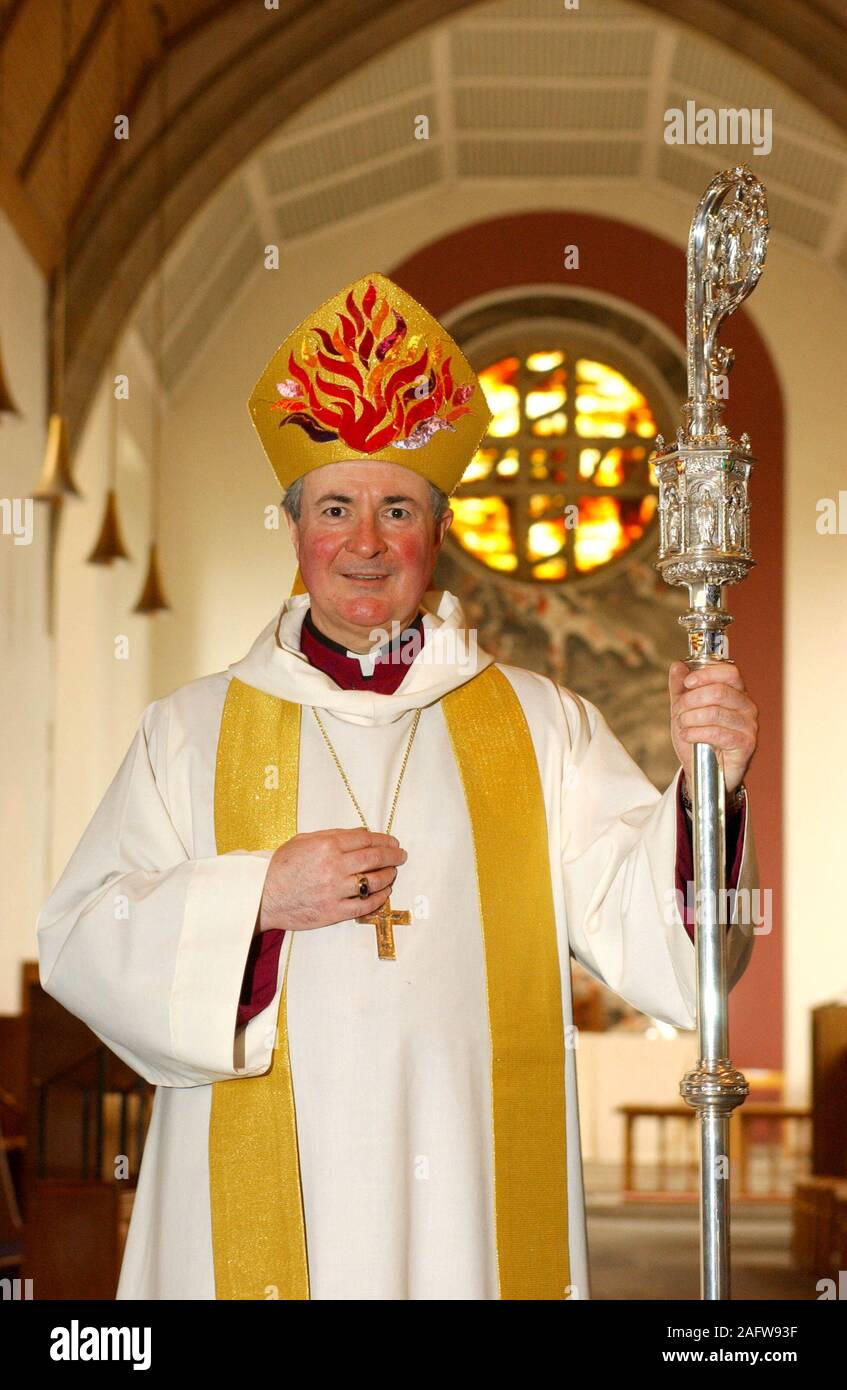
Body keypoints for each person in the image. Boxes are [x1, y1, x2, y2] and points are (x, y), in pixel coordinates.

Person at [36, 272, 759, 1301]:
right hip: (251, 1210)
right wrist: (256, 900)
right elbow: (79, 936)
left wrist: (708, 789)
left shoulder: (539, 722)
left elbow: (658, 943)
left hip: (467, 1198)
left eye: (397, 509)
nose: (366, 544)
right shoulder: (188, 731)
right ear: (294, 528)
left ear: (437, 531)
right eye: (336, 507)